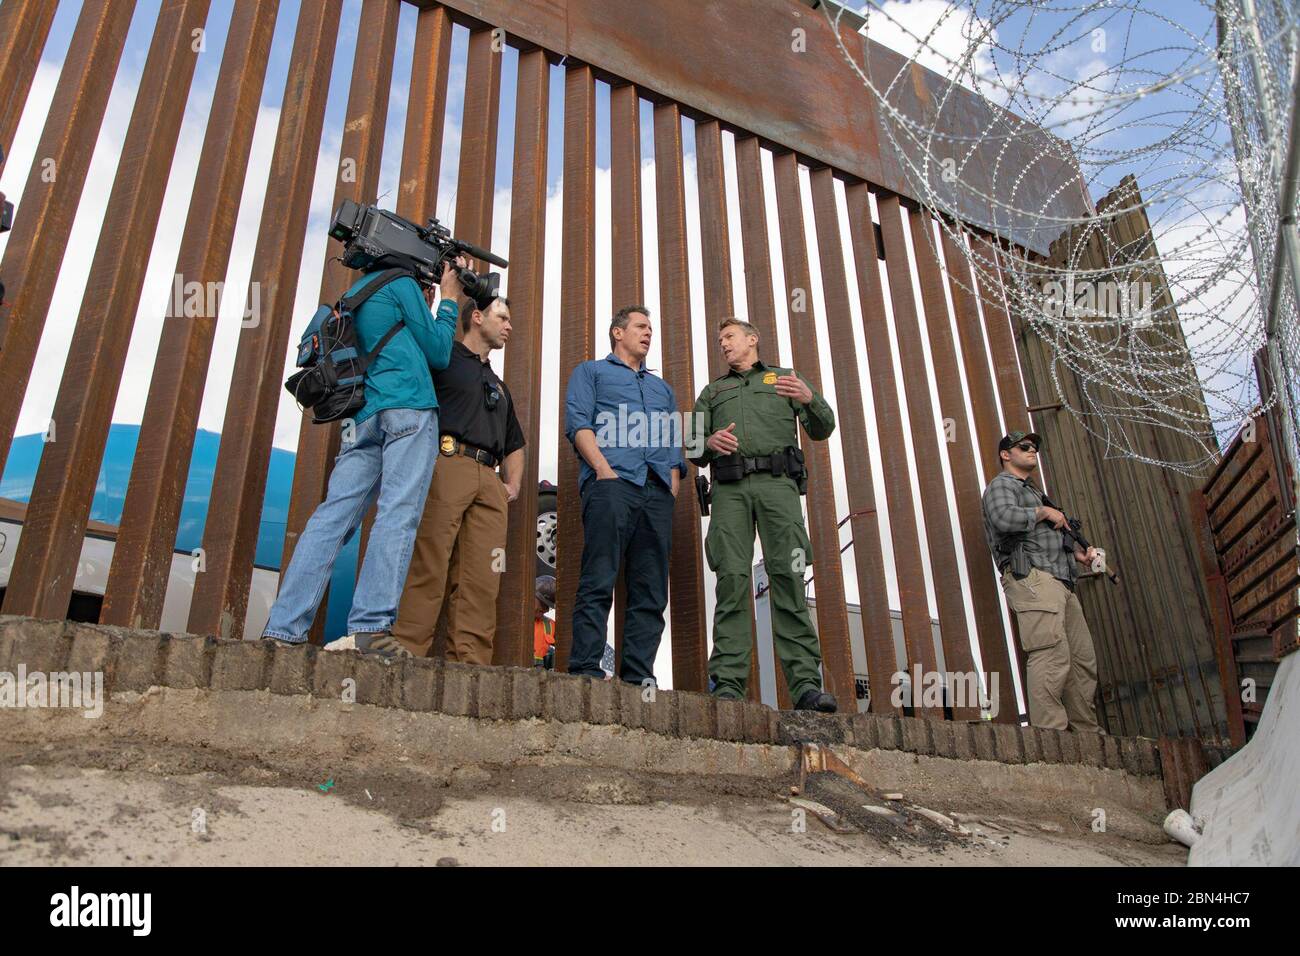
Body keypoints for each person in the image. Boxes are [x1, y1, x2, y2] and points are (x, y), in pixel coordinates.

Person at [261, 259, 465, 656]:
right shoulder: (401, 283)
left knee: (331, 518)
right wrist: (450, 299)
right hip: (407, 407)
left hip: (361, 419)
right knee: (397, 512)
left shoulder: (353, 296)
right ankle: (370, 627)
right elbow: (439, 353)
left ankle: (283, 629)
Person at [689, 317, 838, 712]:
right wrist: (709, 441)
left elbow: (823, 428)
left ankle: (806, 686)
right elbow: (689, 445)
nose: (723, 344)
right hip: (730, 490)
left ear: (753, 340)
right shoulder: (712, 391)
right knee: (733, 580)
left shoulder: (786, 379)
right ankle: (728, 687)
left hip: (778, 487)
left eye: (729, 337)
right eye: (719, 339)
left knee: (788, 576)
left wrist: (810, 399)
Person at [391, 292, 525, 663]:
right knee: (429, 559)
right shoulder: (443, 359)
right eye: (502, 318)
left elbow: (515, 441)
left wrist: (511, 484)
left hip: (490, 480)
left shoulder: (500, 386)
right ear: (477, 317)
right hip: (447, 463)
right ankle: (406, 649)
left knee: (484, 576)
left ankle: (470, 664)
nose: (509, 326)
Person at [564, 305, 686, 685]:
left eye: (651, 328)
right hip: (612, 485)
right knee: (599, 575)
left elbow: (673, 443)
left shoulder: (661, 388)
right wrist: (604, 471)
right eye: (640, 326)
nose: (648, 333)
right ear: (618, 332)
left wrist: (671, 484)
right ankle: (585, 667)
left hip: (656, 492)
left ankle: (637, 676)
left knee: (650, 588)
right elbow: (578, 423)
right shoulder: (591, 372)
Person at [981, 430, 1102, 732]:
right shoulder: (1002, 485)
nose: (1032, 450)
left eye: (1034, 447)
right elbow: (1003, 518)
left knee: (1080, 660)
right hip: (1033, 577)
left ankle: (1086, 734)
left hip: (1061, 581)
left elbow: (1046, 539)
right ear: (1005, 455)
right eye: (1024, 447)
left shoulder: (1035, 492)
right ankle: (1052, 736)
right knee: (1050, 653)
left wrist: (1079, 555)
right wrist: (1042, 512)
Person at [533, 575, 556, 669]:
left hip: (537, 674)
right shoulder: (513, 619)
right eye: (542, 604)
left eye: (548, 606)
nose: (545, 609)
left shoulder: (550, 625)